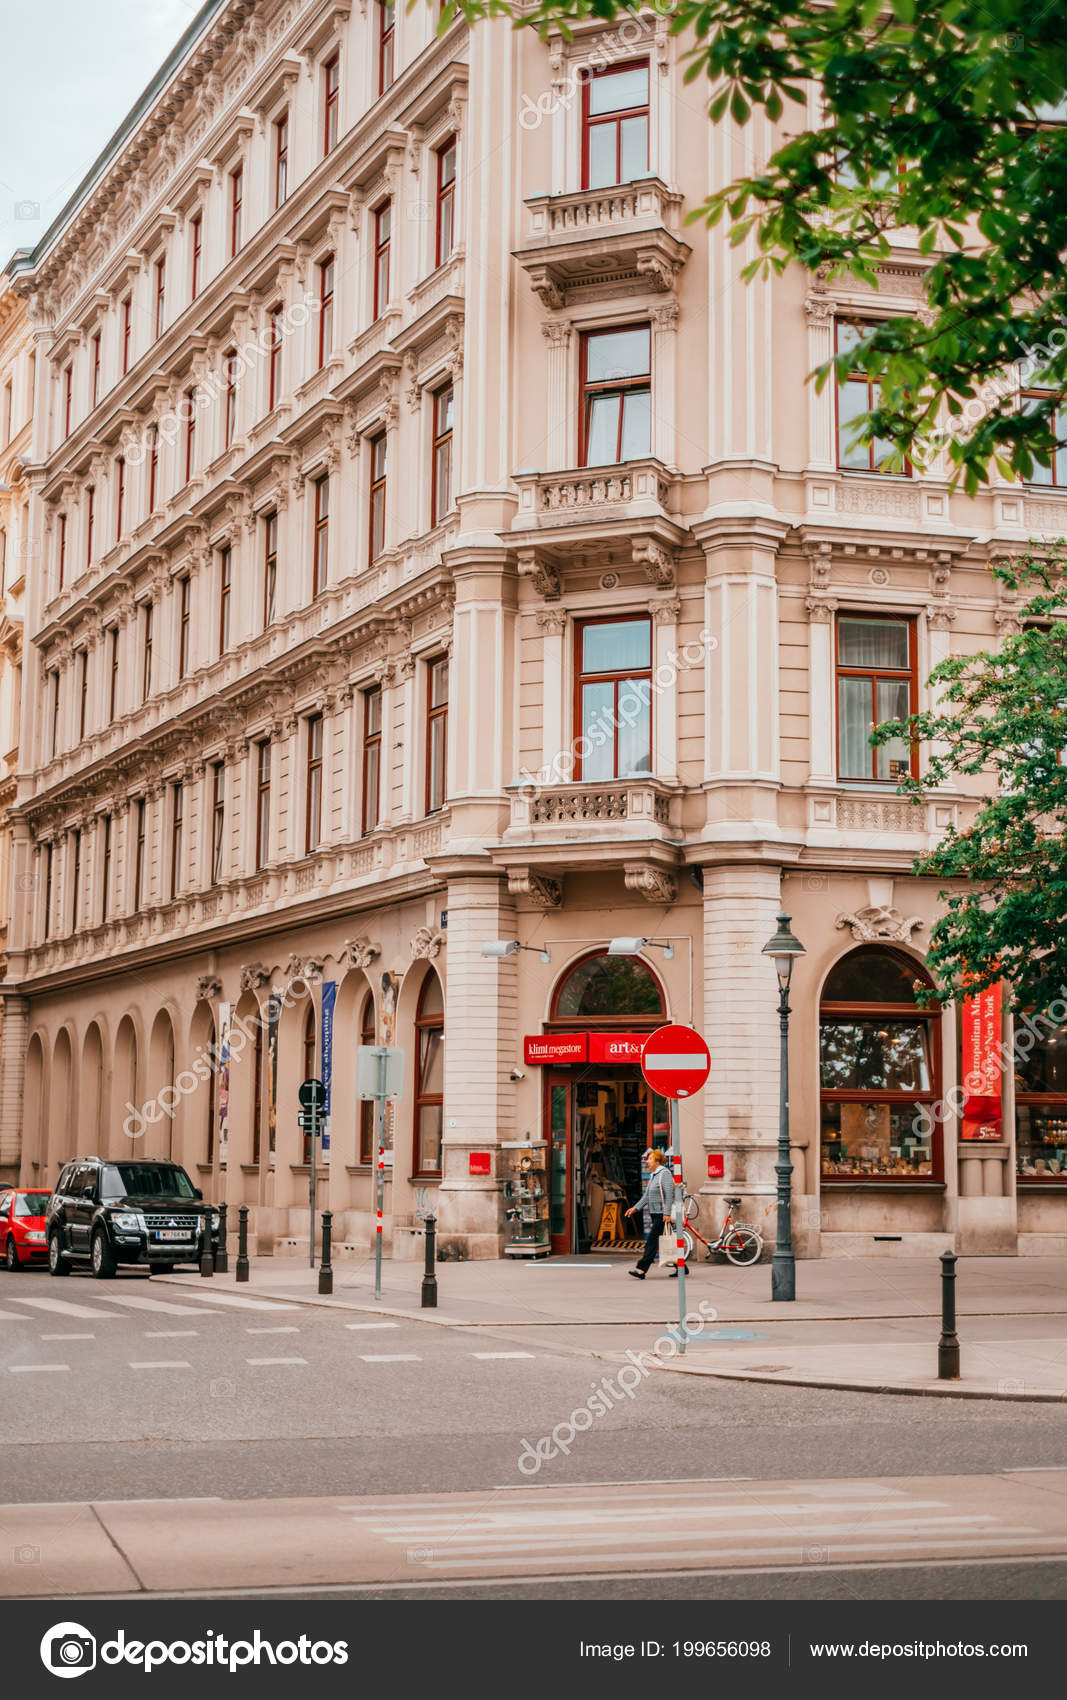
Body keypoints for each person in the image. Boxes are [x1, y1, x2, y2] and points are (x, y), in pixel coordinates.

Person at [625, 1147, 675, 1279]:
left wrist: (667, 1213)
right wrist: (635, 1208)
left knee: (652, 1241)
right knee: (665, 1240)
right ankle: (682, 1267)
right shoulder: (654, 1175)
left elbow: (669, 1195)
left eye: (650, 1159)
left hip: (662, 1214)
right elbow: (646, 1196)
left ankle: (641, 1269)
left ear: (657, 1161)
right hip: (655, 1213)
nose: (647, 1161)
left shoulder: (665, 1174)